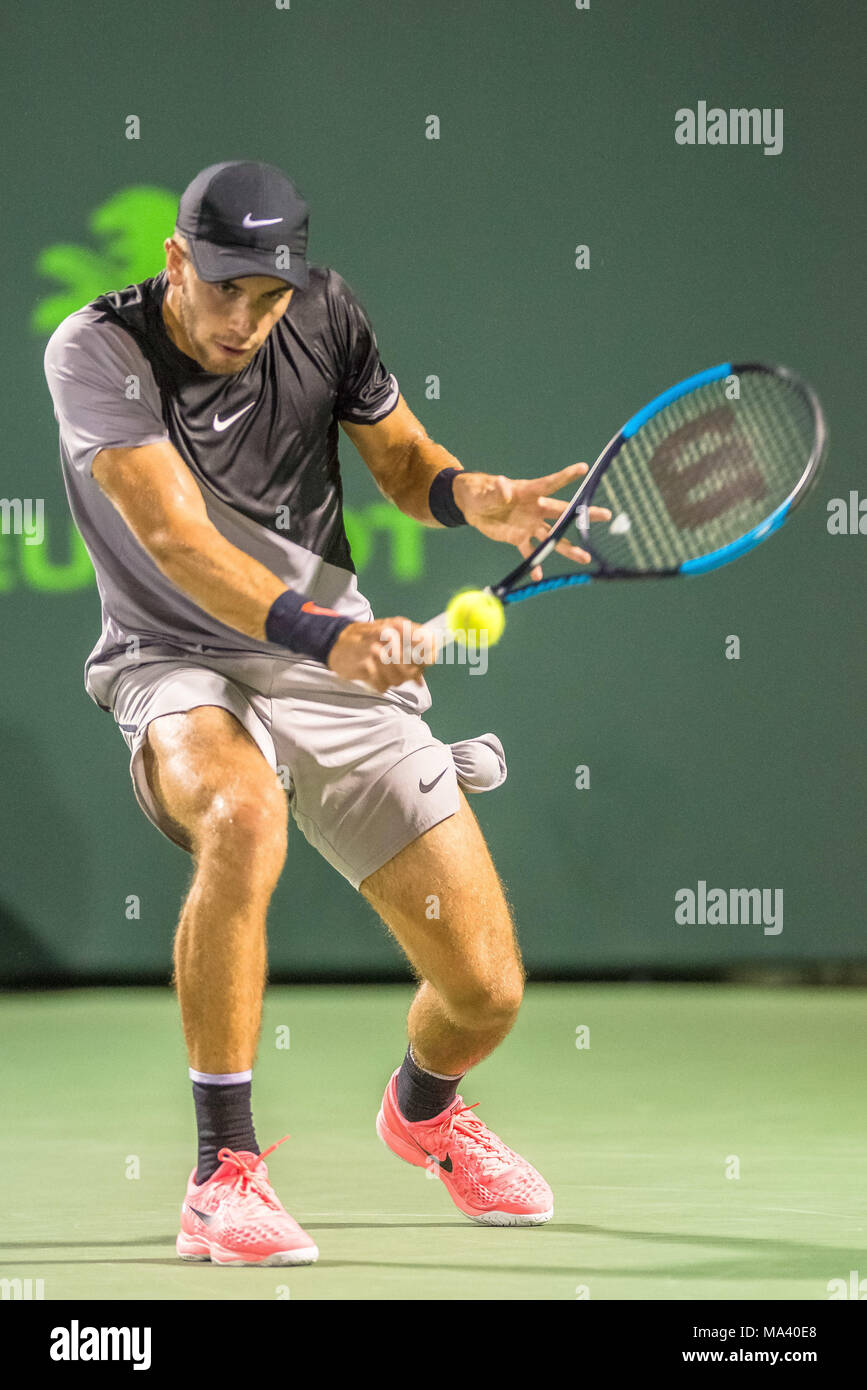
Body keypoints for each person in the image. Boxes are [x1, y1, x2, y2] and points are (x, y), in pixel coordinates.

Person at [44, 160, 609, 1266]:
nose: (247, 322)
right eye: (224, 293)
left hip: (324, 660)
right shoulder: (96, 350)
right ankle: (223, 1173)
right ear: (175, 263)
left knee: (486, 989)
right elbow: (175, 539)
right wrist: (334, 634)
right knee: (242, 814)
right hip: (173, 654)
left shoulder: (327, 312)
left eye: (270, 298)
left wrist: (475, 494)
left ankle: (428, 1111)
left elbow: (403, 465)